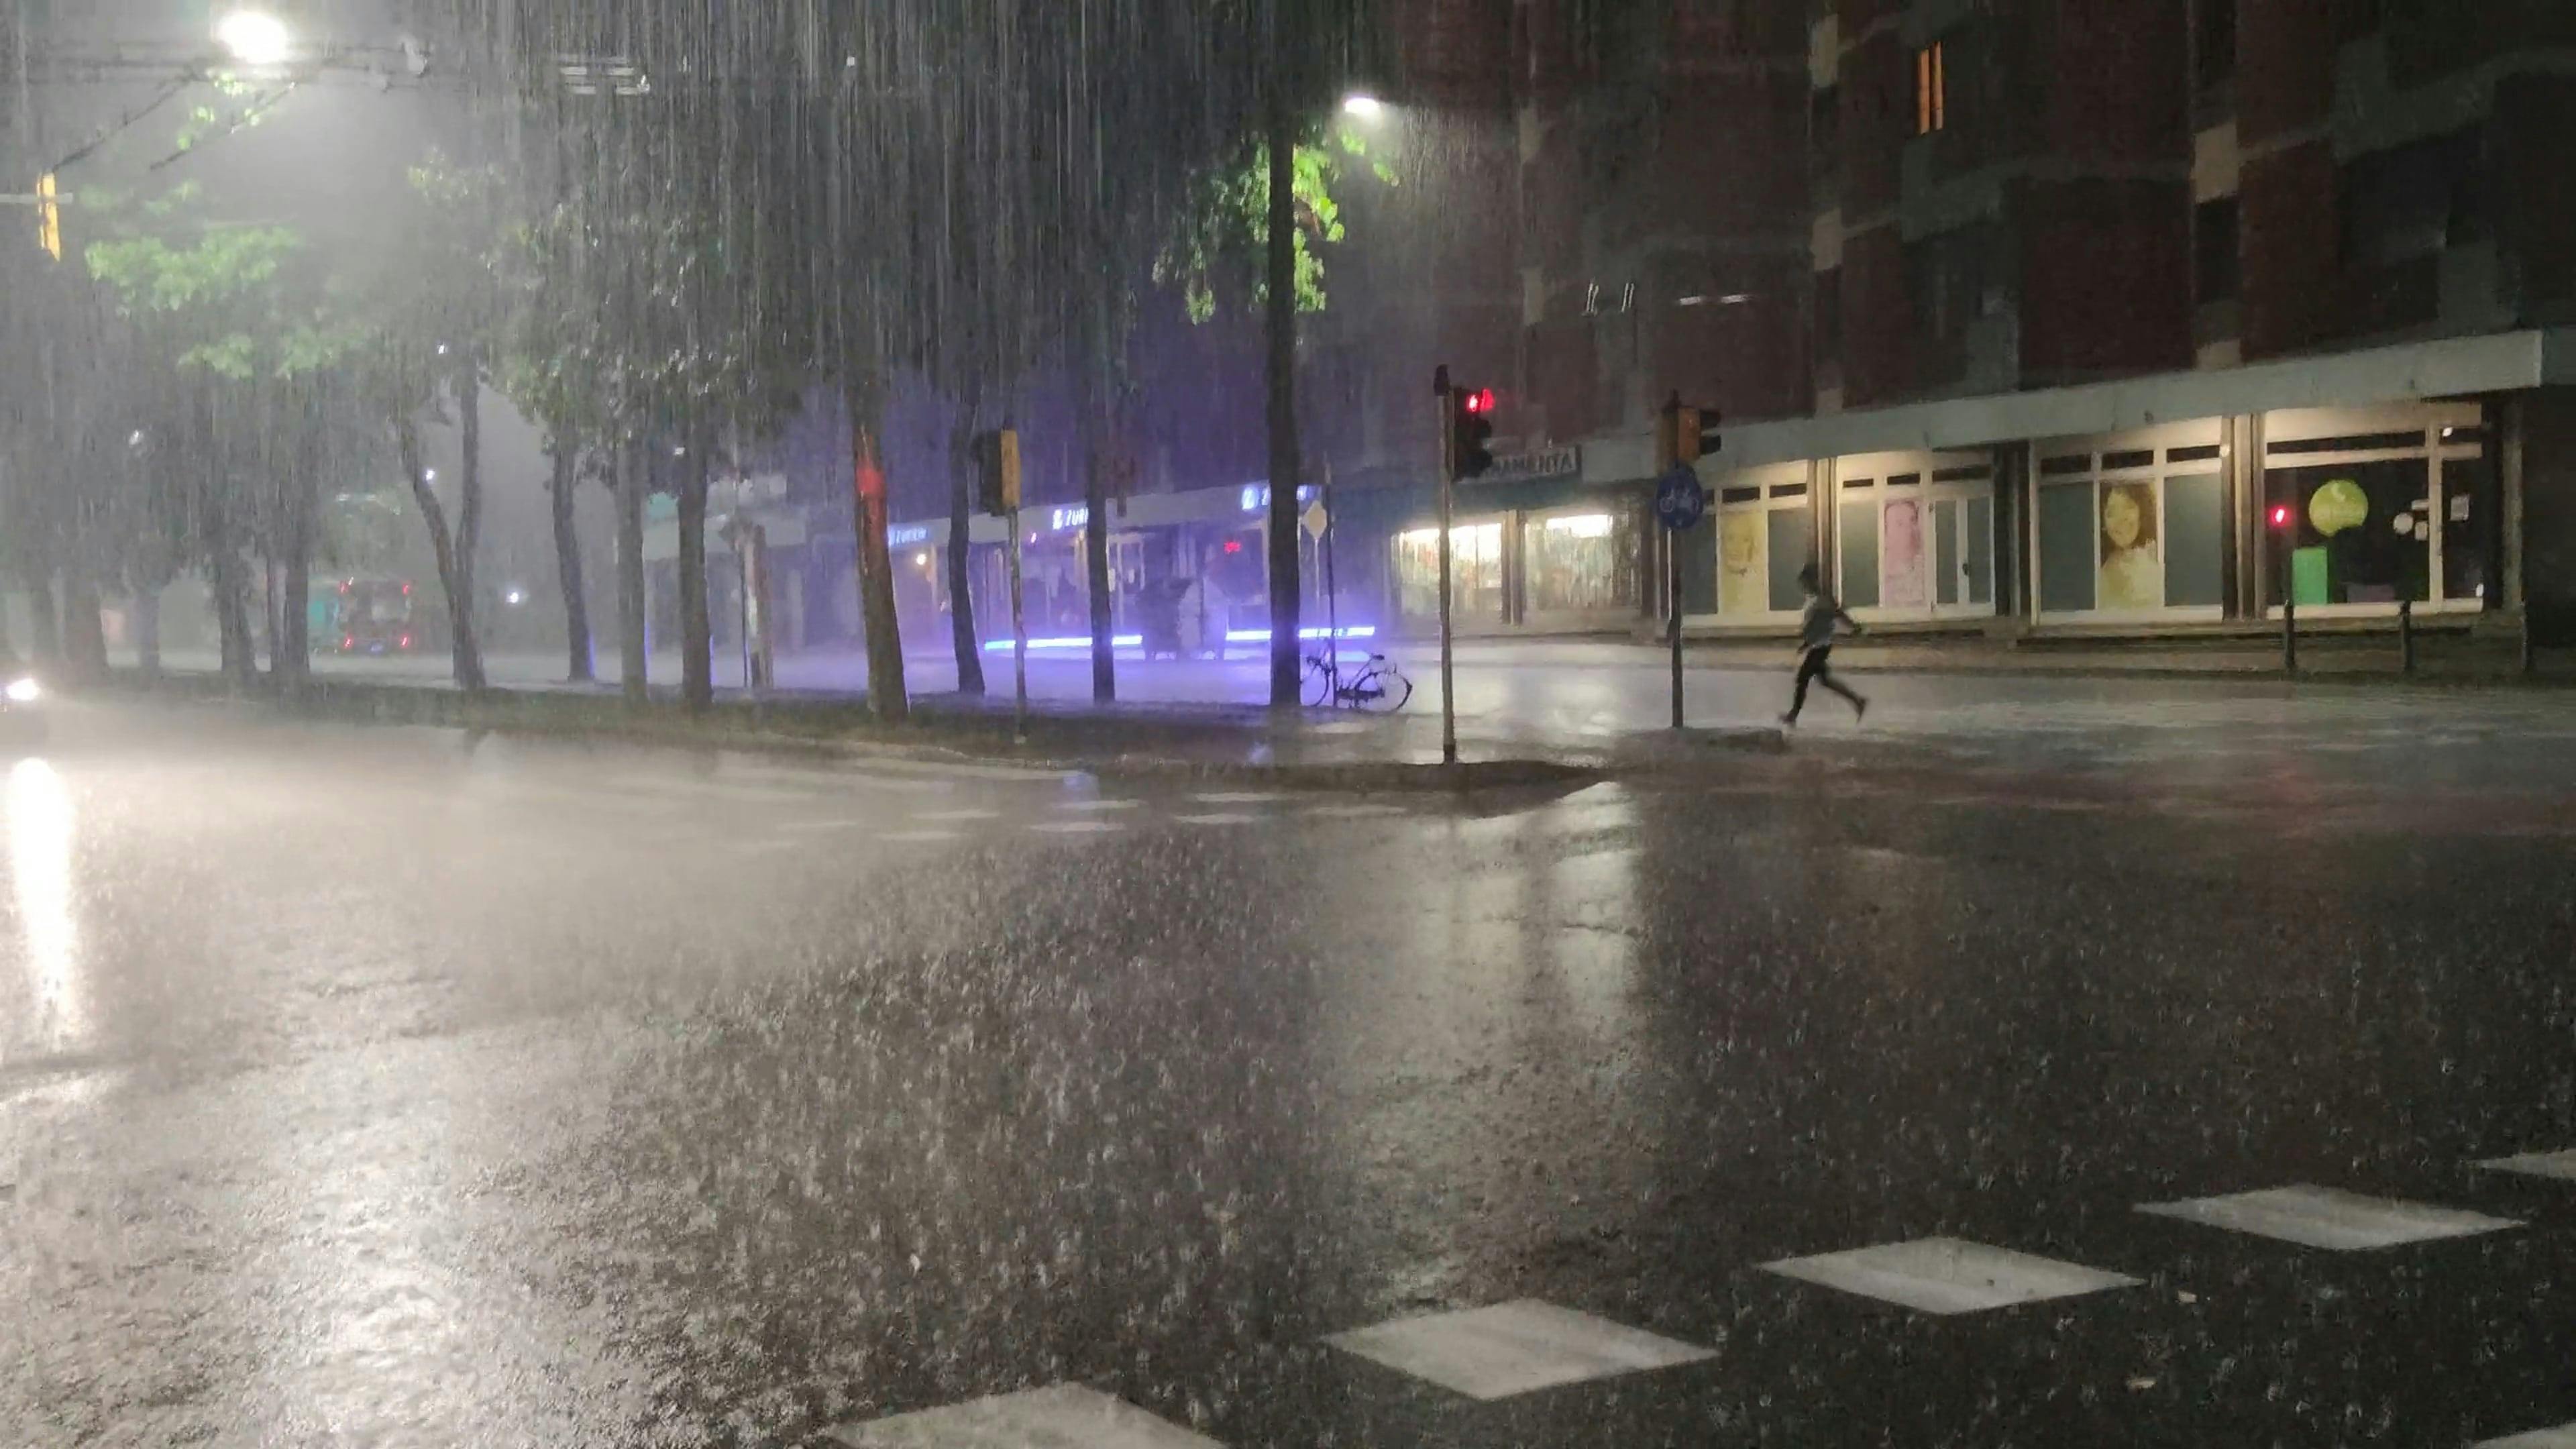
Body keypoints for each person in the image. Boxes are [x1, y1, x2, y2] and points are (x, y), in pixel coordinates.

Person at [1784, 562, 1867, 727]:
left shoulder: (1822, 600)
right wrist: (1806, 643)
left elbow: (1838, 614)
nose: (1804, 586)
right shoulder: (1813, 600)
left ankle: (1793, 716)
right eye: (1802, 583)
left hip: (1822, 647)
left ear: (1813, 581)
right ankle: (1858, 701)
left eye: (1805, 582)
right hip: (1816, 645)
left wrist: (1854, 627)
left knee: (1802, 679)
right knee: (1825, 681)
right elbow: (1813, 626)